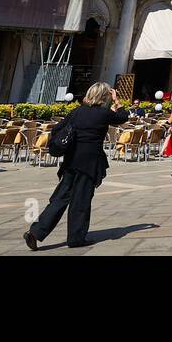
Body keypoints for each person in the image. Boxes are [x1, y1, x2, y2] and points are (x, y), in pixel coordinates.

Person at [24, 82, 129, 250]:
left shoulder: (77, 112)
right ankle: (76, 238)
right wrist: (117, 101)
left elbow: (57, 129)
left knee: (59, 199)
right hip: (89, 162)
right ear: (105, 97)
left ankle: (36, 232)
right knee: (81, 201)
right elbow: (124, 116)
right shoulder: (103, 114)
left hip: (71, 161)